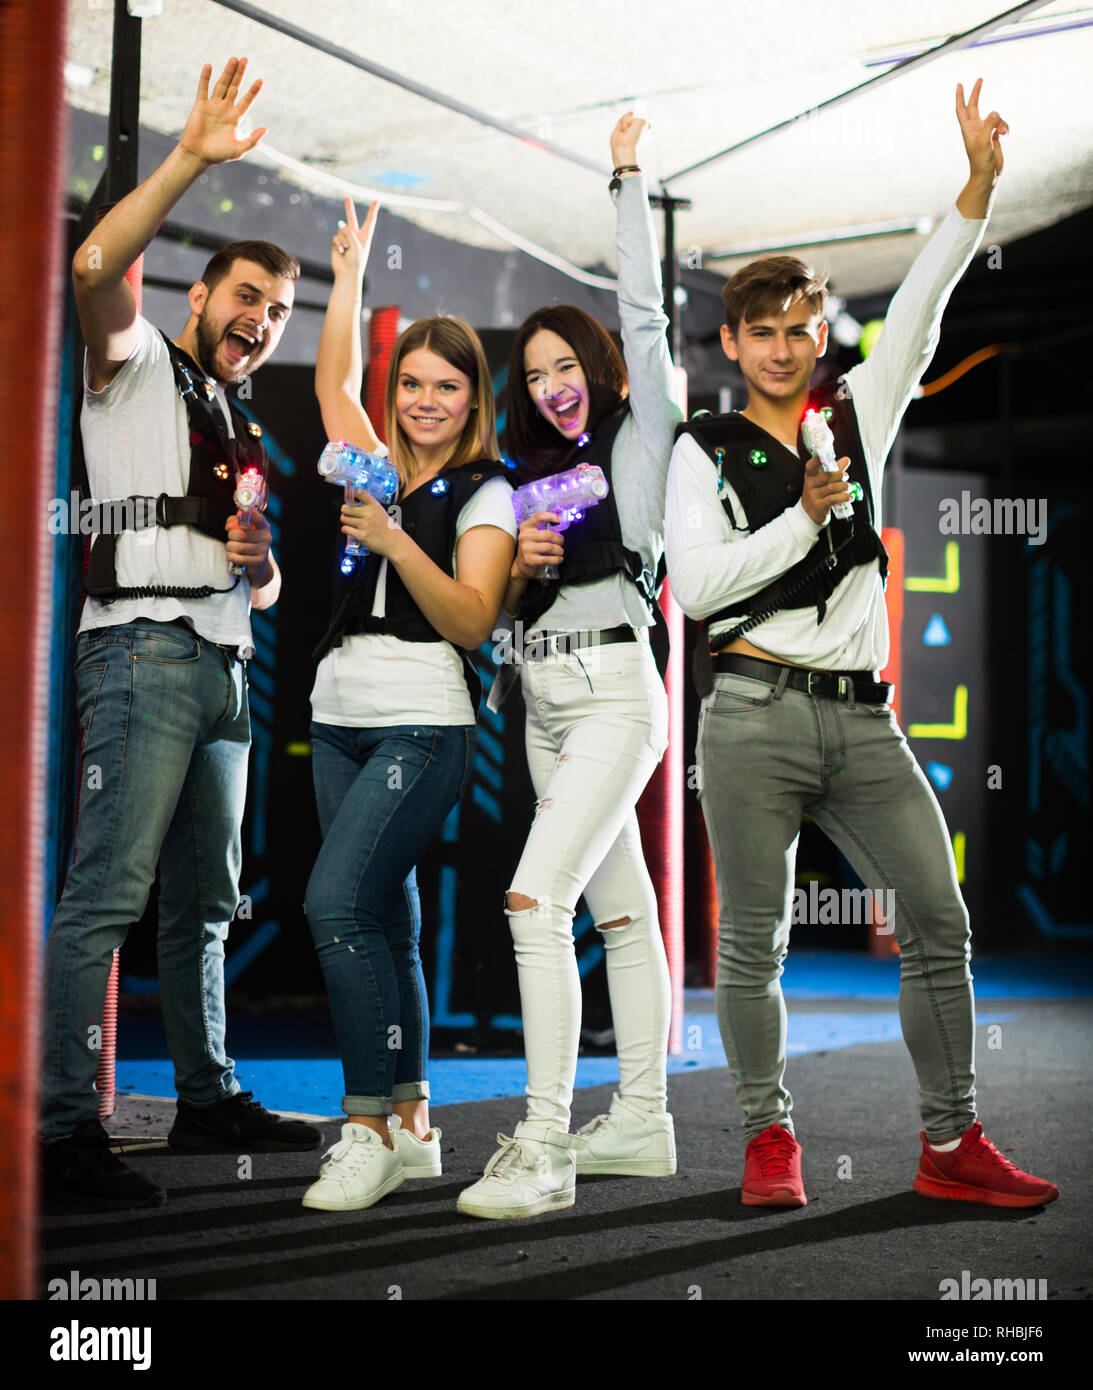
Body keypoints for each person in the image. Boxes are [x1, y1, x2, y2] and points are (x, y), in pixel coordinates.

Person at [665, 81, 1057, 1209]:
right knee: (753, 945)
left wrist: (976, 185)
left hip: (861, 714)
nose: (785, 348)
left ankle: (949, 1145)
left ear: (819, 332)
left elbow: (927, 298)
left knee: (939, 919)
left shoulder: (854, 408)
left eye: (802, 330)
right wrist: (801, 514)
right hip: (747, 712)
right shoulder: (706, 450)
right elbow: (697, 591)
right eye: (764, 333)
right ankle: (766, 1139)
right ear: (732, 341)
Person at [42, 58, 320, 1211]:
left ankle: (205, 1094)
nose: (259, 321)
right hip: (141, 655)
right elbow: (94, 266)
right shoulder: (139, 363)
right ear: (199, 299)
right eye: (246, 297)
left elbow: (255, 573)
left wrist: (262, 575)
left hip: (225, 669)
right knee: (107, 894)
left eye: (278, 312)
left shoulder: (242, 424)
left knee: (209, 902)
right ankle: (60, 1129)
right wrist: (193, 158)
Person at [457, 114, 680, 1221]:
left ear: (596, 366)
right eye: (533, 371)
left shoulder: (640, 439)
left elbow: (645, 314)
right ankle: (642, 1119)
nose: (552, 384)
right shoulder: (526, 481)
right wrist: (522, 573)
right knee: (623, 916)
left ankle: (544, 1142)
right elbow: (484, 611)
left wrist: (627, 181)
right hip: (545, 702)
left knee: (532, 900)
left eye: (565, 364)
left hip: (615, 694)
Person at [301, 199, 516, 1212]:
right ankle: (417, 1120)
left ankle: (366, 1126)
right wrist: (348, 274)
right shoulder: (373, 461)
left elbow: (472, 619)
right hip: (335, 707)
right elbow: (329, 379)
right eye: (413, 383)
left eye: (447, 386)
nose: (426, 400)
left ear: (473, 399)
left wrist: (394, 543)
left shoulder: (485, 493)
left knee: (335, 907)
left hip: (422, 719)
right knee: (383, 917)